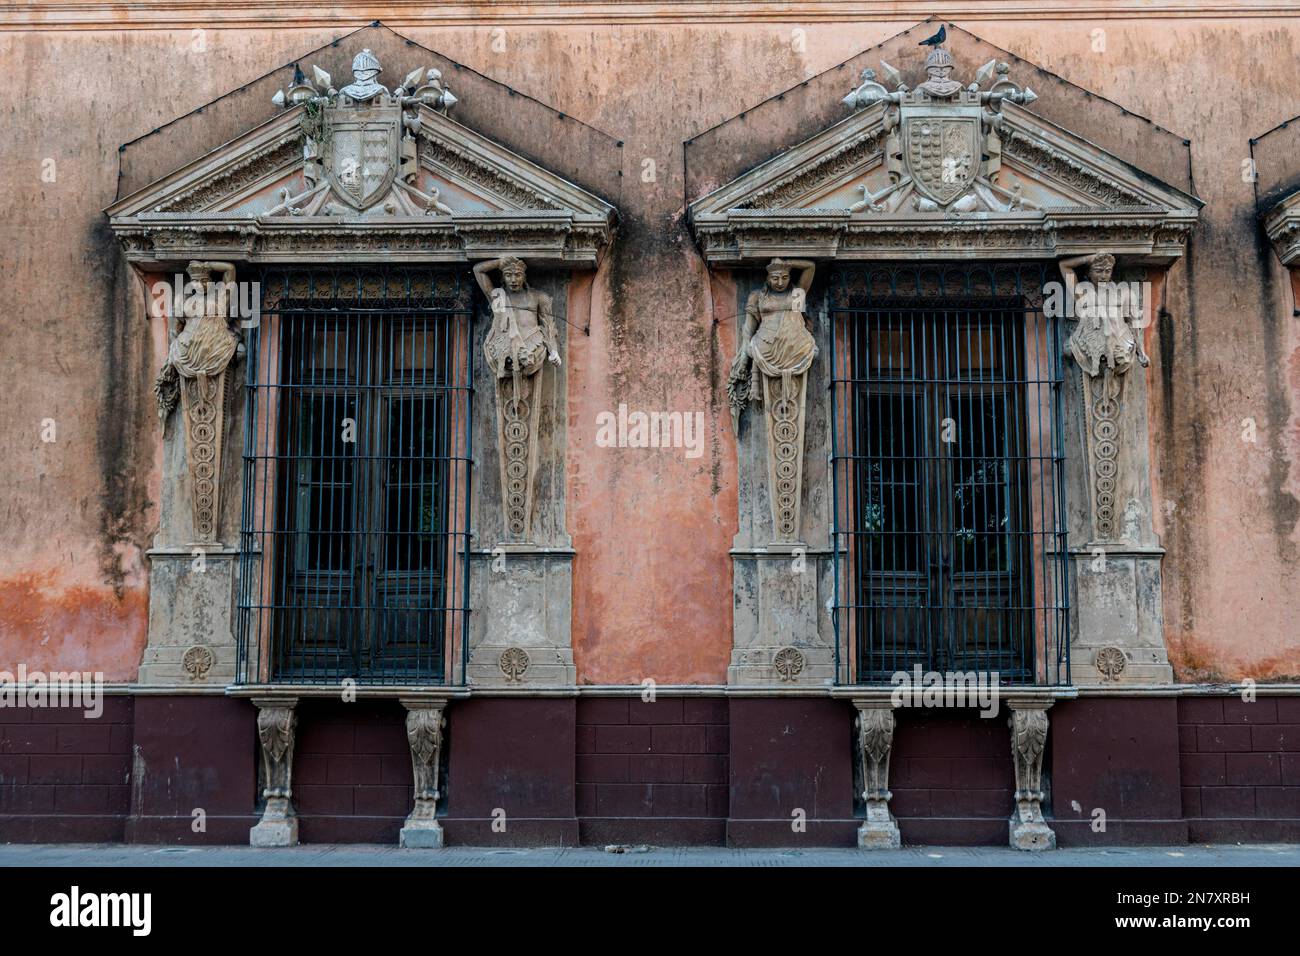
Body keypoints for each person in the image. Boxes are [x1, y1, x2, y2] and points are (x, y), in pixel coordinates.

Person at [727, 258, 817, 435]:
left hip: (797, 348)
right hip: (765, 350)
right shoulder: (757, 296)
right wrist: (744, 359)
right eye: (775, 277)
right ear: (767, 277)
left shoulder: (797, 294)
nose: (780, 282)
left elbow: (810, 267)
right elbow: (748, 329)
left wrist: (788, 262)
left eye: (785, 277)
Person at [474, 257, 560, 402]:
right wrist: (499, 263)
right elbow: (478, 270)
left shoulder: (538, 297)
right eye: (508, 275)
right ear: (503, 277)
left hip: (533, 348)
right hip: (504, 350)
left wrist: (553, 350)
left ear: (524, 276)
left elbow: (548, 325)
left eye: (517, 275)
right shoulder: (498, 298)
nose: (513, 279)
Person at [1058, 252, 1148, 377]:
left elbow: (1134, 323)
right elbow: (1064, 265)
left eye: (1107, 271)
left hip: (1120, 344)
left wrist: (1141, 351)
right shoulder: (1083, 294)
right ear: (1089, 273)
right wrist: (1087, 258)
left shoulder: (1124, 293)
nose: (1103, 275)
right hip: (1091, 345)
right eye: (1098, 271)